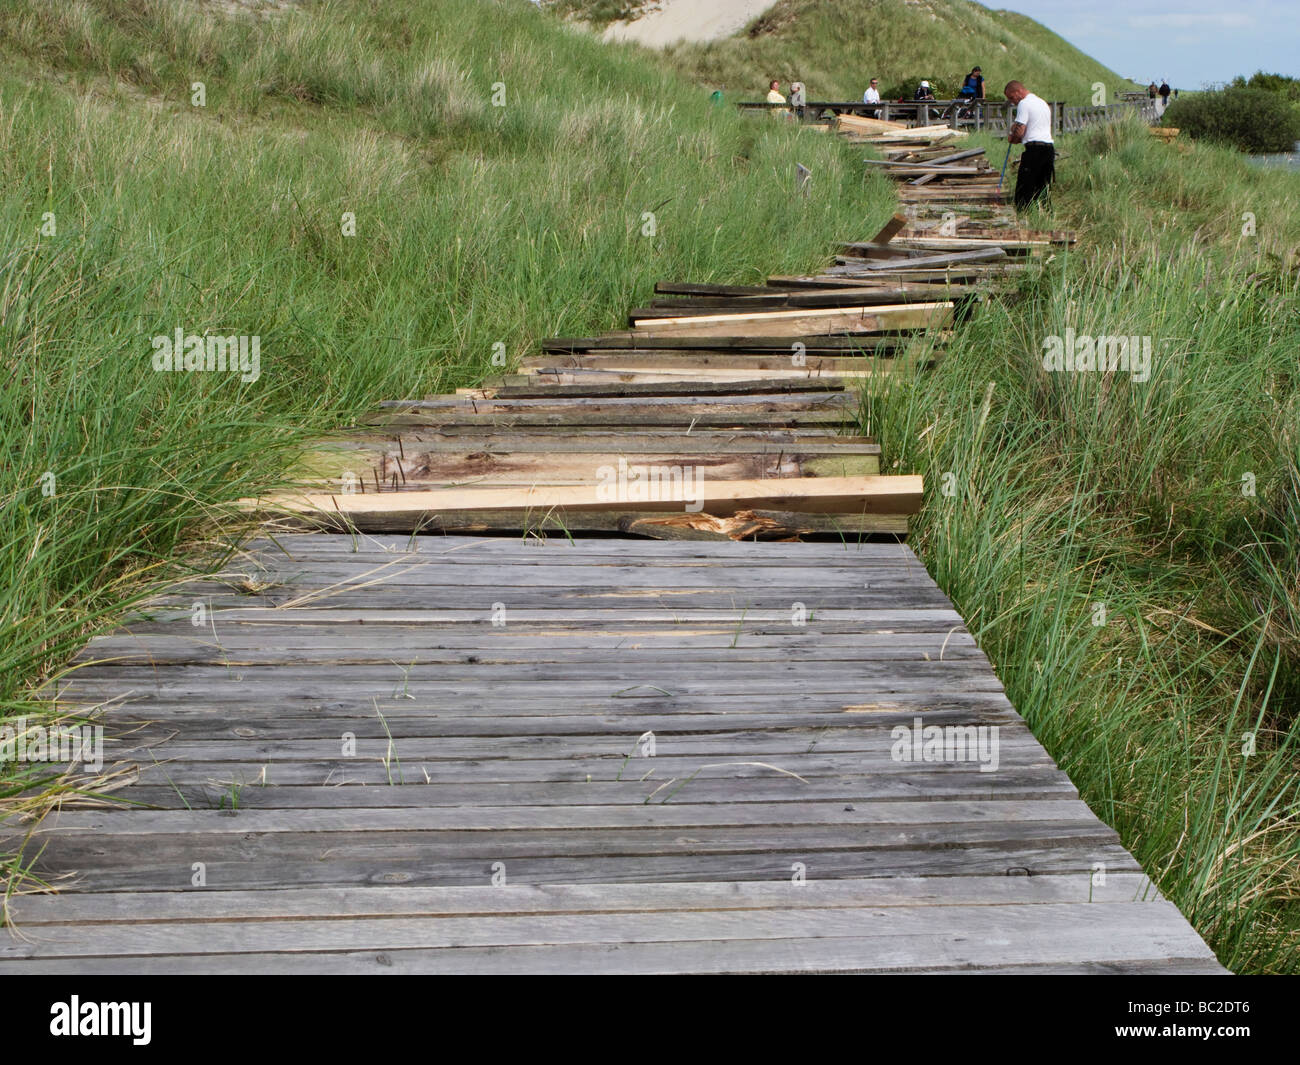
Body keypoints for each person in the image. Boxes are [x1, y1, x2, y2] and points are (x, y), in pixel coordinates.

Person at [1004, 80, 1054, 211]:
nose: (1012, 101)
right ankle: (1044, 213)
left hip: (1034, 150)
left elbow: (1019, 131)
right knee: (1043, 186)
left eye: (1011, 97)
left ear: (1018, 91)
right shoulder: (1042, 103)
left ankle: (1022, 214)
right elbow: (1035, 130)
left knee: (1025, 185)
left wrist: (1012, 137)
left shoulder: (1024, 104)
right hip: (1049, 148)